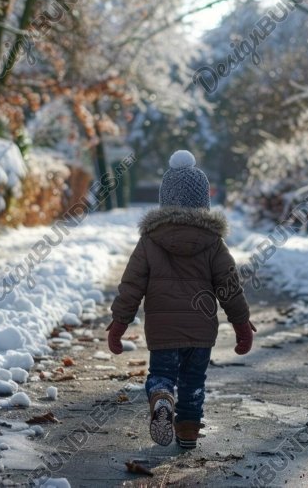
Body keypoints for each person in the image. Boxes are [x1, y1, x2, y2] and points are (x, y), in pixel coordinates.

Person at [106, 150, 255, 449]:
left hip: (163, 331)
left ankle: (161, 396)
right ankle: (187, 433)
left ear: (164, 200)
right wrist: (241, 323)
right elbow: (229, 286)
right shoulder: (213, 242)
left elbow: (131, 285)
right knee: (193, 384)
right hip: (201, 332)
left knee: (162, 374)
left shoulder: (150, 240)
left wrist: (119, 323)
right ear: (204, 202)